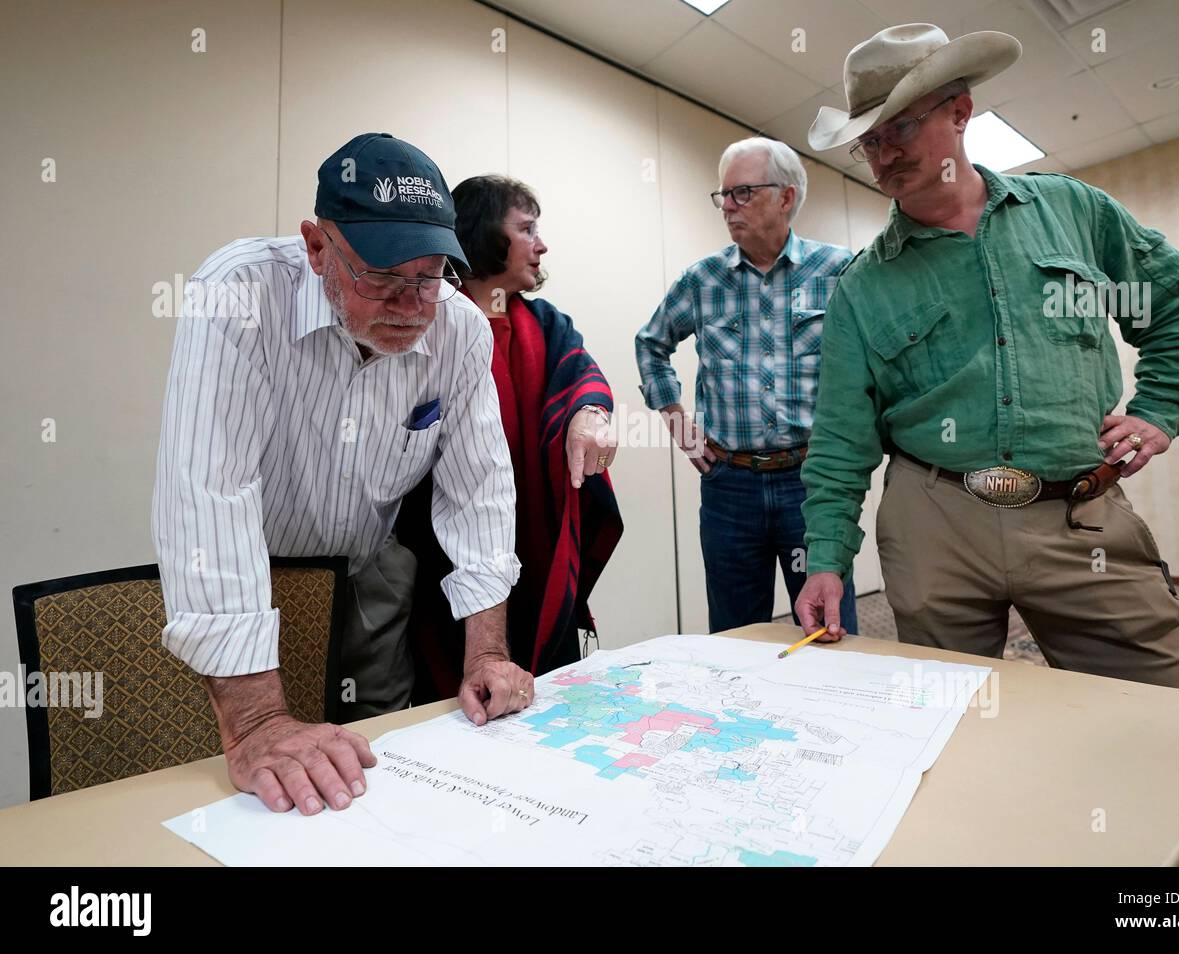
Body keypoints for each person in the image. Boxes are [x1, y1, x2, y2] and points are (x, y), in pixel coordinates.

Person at [797, 23, 1179, 866]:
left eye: (901, 127)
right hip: (933, 519)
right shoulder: (863, 287)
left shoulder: (1073, 212)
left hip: (1080, 518)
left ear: (961, 111)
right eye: (869, 139)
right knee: (948, 736)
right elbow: (841, 437)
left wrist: (1161, 408)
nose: (883, 153)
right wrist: (826, 558)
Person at [152, 133, 529, 816]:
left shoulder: (461, 331)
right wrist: (258, 723)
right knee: (241, 781)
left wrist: (488, 655)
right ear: (317, 246)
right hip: (247, 568)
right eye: (383, 277)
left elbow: (479, 494)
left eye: (428, 276)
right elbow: (209, 495)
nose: (414, 307)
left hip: (366, 566)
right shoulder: (238, 291)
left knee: (375, 759)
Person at [395, 175, 622, 702]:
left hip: (530, 544)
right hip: (441, 553)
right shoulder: (427, 323)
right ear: (481, 233)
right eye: (526, 229)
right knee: (445, 698)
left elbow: (583, 376)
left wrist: (589, 414)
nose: (541, 245)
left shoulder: (544, 323)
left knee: (539, 696)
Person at [634, 137, 858, 635]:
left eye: (743, 193)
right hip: (729, 486)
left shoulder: (838, 271)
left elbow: (869, 363)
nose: (728, 208)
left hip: (810, 483)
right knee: (735, 636)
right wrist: (678, 423)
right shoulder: (702, 280)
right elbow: (651, 343)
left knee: (828, 628)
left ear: (786, 196)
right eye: (723, 196)